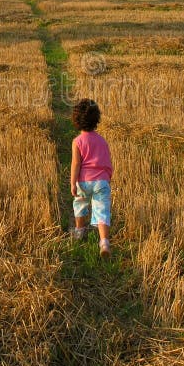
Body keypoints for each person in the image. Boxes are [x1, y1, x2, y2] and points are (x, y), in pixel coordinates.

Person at [70, 98, 113, 258]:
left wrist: (73, 183)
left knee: (80, 205)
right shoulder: (102, 141)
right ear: (96, 120)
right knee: (102, 210)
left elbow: (76, 164)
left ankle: (79, 231)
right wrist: (107, 178)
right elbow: (107, 162)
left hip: (83, 181)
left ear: (76, 120)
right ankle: (104, 242)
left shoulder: (77, 142)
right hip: (101, 181)